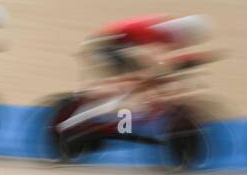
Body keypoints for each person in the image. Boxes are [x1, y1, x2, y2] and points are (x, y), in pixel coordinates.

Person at [68, 14, 214, 125]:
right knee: (141, 77)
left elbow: (161, 60)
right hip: (103, 47)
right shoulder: (154, 31)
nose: (185, 44)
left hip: (120, 48)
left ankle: (113, 105)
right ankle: (93, 101)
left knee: (146, 76)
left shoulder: (168, 32)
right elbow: (154, 59)